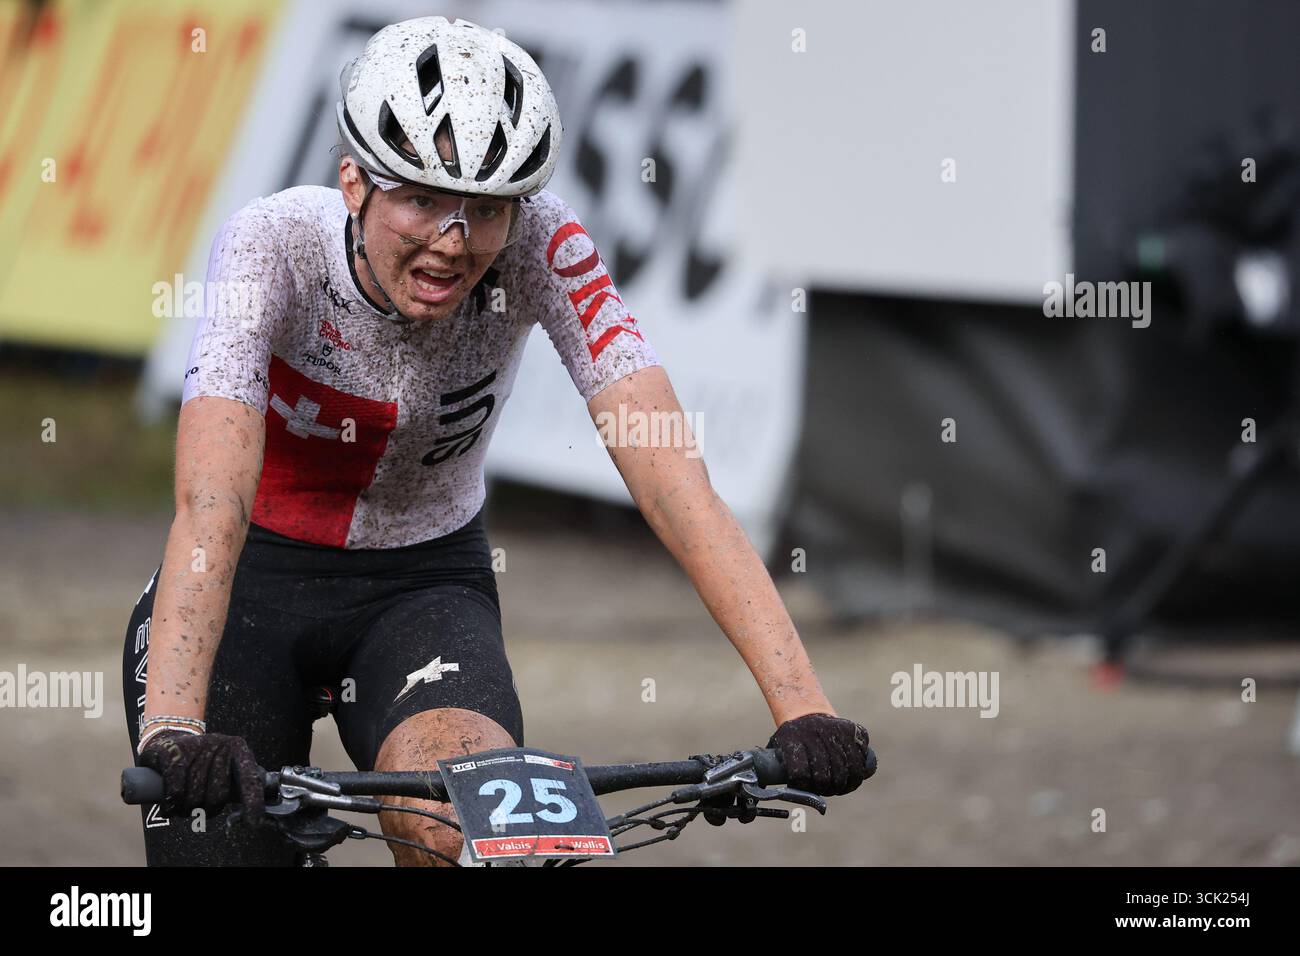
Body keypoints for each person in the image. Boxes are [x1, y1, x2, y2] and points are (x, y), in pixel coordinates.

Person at [120, 15, 871, 866]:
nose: (453, 240)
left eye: (484, 210)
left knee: (468, 837)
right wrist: (176, 724)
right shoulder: (270, 245)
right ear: (355, 181)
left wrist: (803, 705)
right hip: (251, 578)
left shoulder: (543, 241)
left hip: (421, 587)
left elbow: (677, 485)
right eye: (422, 198)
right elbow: (211, 503)